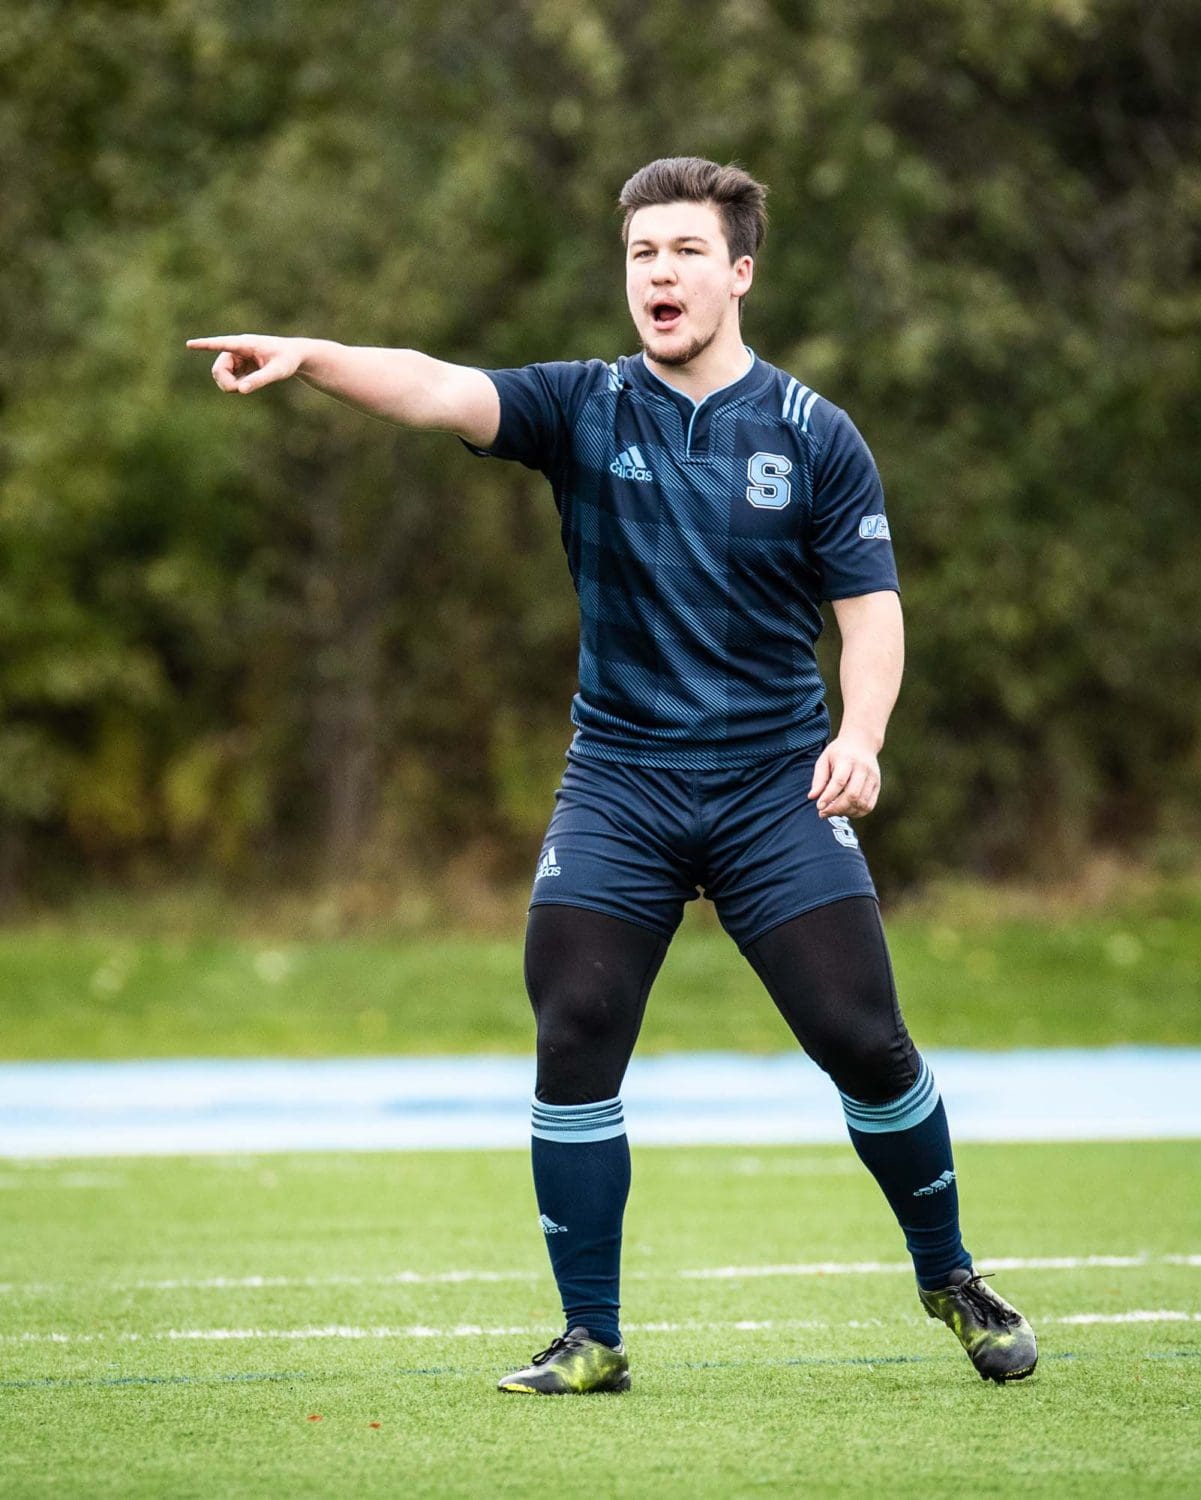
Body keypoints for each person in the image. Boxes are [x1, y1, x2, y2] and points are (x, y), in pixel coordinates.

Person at [188, 155, 1036, 1395]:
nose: (659, 274)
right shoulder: (583, 407)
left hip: (770, 787)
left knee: (863, 1040)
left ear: (738, 273)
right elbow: (435, 389)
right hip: (621, 784)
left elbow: (872, 613)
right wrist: (312, 353)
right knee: (573, 1030)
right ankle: (593, 1336)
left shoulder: (813, 436)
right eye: (641, 254)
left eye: (685, 251)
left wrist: (860, 737)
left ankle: (948, 1275)